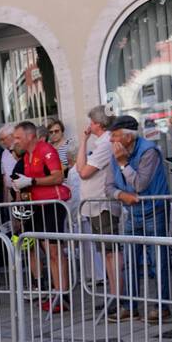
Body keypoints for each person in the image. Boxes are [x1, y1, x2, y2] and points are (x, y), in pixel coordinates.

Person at [106, 115, 172, 322]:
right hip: (131, 212)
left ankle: (162, 306)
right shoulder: (115, 153)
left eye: (115, 135)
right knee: (130, 261)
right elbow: (108, 187)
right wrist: (121, 195)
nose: (111, 140)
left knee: (157, 261)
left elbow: (140, 185)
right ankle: (129, 306)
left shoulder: (148, 151)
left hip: (154, 210)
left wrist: (124, 164)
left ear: (128, 137)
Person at [10, 120, 70, 311]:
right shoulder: (27, 156)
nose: (15, 141)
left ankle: (63, 295)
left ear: (30, 136)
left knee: (54, 252)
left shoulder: (46, 150)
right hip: (37, 206)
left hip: (53, 204)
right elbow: (32, 183)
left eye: (18, 137)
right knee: (45, 250)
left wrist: (31, 180)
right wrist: (21, 185)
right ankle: (57, 292)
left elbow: (58, 176)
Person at [77, 106, 125, 317]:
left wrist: (82, 143)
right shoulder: (100, 142)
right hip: (94, 205)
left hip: (103, 204)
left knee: (111, 251)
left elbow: (83, 171)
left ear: (98, 123)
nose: (89, 126)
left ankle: (120, 296)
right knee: (106, 253)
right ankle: (114, 296)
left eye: (92, 122)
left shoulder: (106, 143)